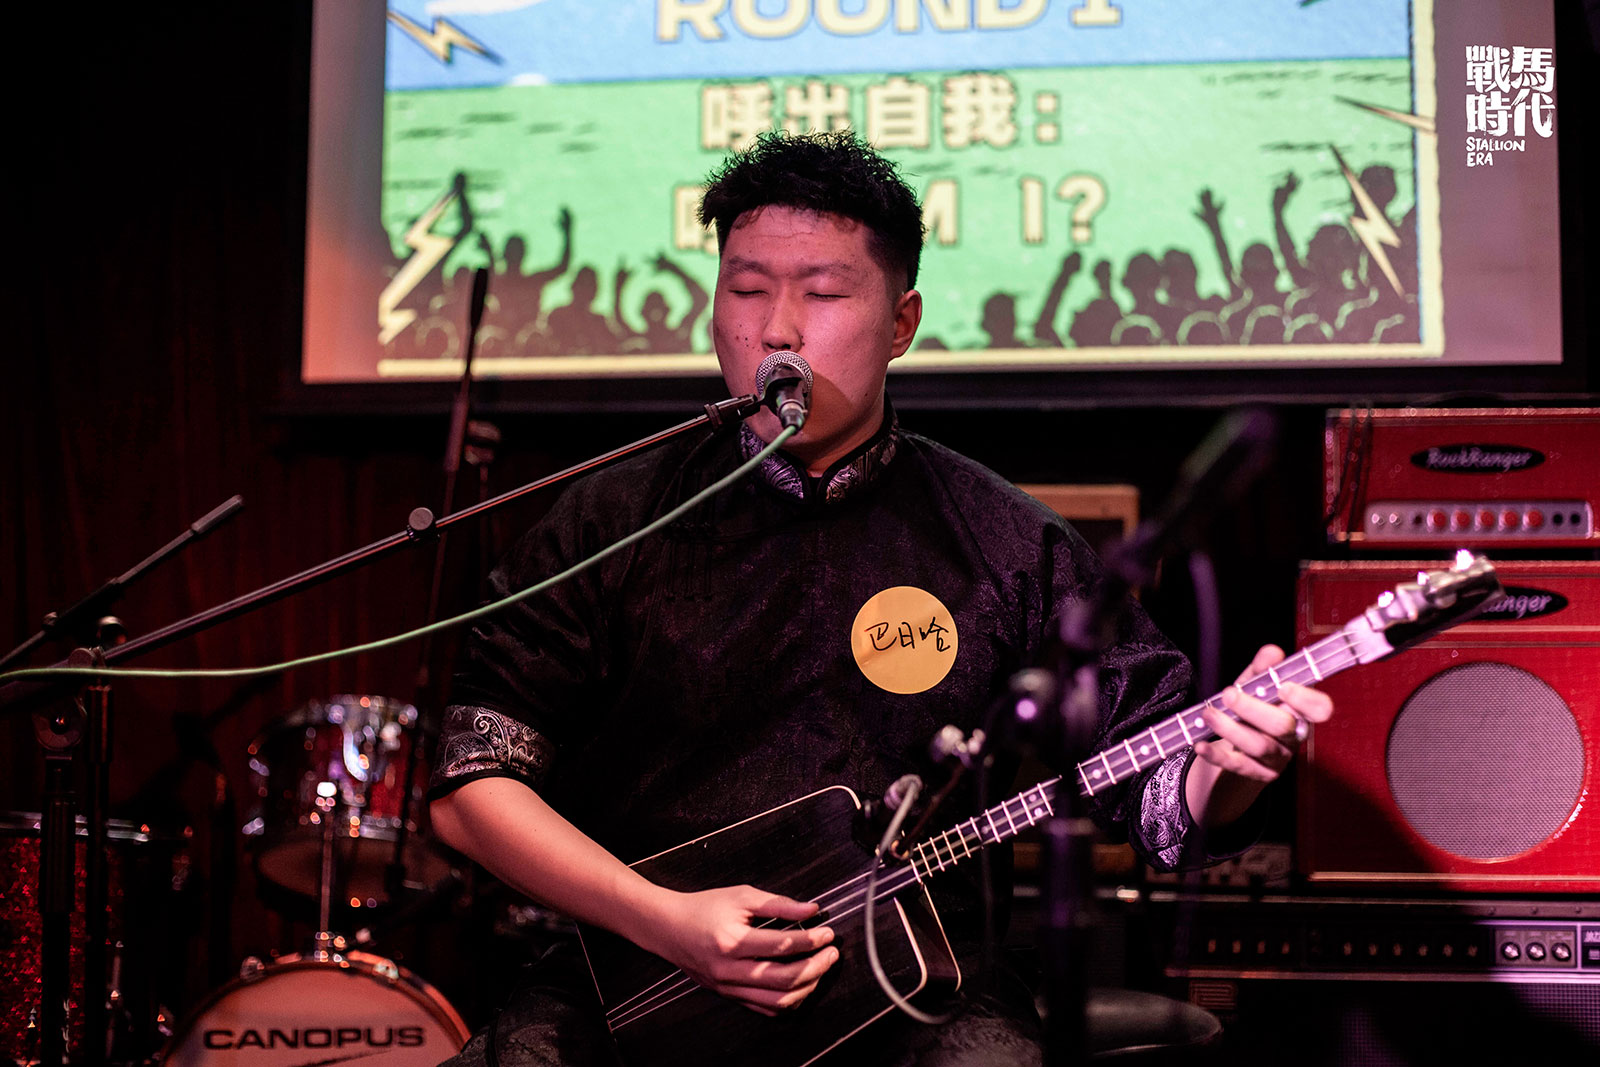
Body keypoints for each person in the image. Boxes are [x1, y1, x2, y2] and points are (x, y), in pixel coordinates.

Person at [428, 130, 1332, 1066]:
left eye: (821, 294)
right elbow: (469, 786)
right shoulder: (608, 518)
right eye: (745, 290)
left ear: (901, 323)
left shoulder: (1008, 543)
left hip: (921, 991)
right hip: (631, 971)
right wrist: (665, 920)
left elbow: (1156, 791)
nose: (777, 329)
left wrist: (1231, 767)